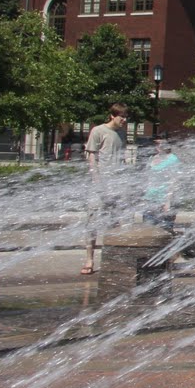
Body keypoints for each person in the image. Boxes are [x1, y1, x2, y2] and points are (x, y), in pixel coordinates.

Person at [82, 103, 130, 274]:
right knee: (92, 222)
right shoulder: (98, 131)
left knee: (115, 223)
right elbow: (92, 159)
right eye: (121, 117)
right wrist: (98, 182)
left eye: (125, 117)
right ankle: (89, 260)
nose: (124, 120)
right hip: (100, 185)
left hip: (117, 185)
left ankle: (112, 260)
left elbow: (122, 158)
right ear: (112, 116)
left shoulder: (122, 134)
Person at [140, 139, 181, 231]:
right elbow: (148, 178)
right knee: (148, 230)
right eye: (156, 144)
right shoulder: (153, 158)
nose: (158, 146)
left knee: (164, 230)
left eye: (161, 144)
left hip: (164, 200)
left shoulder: (172, 159)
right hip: (150, 199)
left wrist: (168, 202)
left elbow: (174, 180)